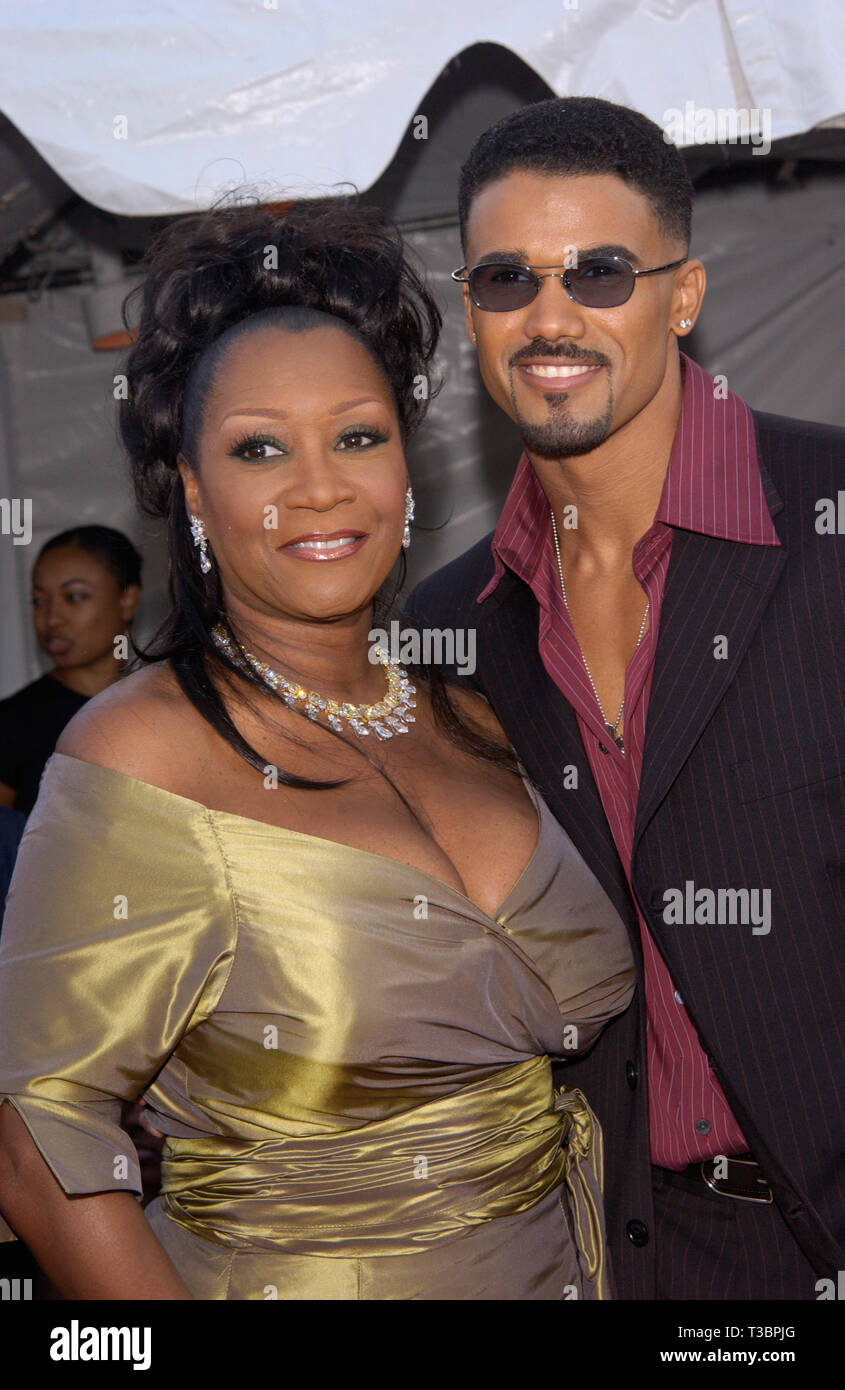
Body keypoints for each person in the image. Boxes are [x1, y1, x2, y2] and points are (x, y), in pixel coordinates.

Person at [0, 200, 635, 1301]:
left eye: (356, 435)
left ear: (405, 462)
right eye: (258, 449)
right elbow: (34, 1132)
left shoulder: (481, 710)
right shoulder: (142, 751)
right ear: (193, 493)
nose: (319, 488)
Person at [405, 96, 845, 1301]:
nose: (550, 316)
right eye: (506, 277)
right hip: (604, 1256)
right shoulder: (442, 628)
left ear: (683, 296)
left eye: (600, 271)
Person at [0, 525, 142, 816]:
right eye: (38, 601)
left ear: (127, 600)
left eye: (74, 597)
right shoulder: (12, 725)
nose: (52, 618)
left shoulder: (171, 705)